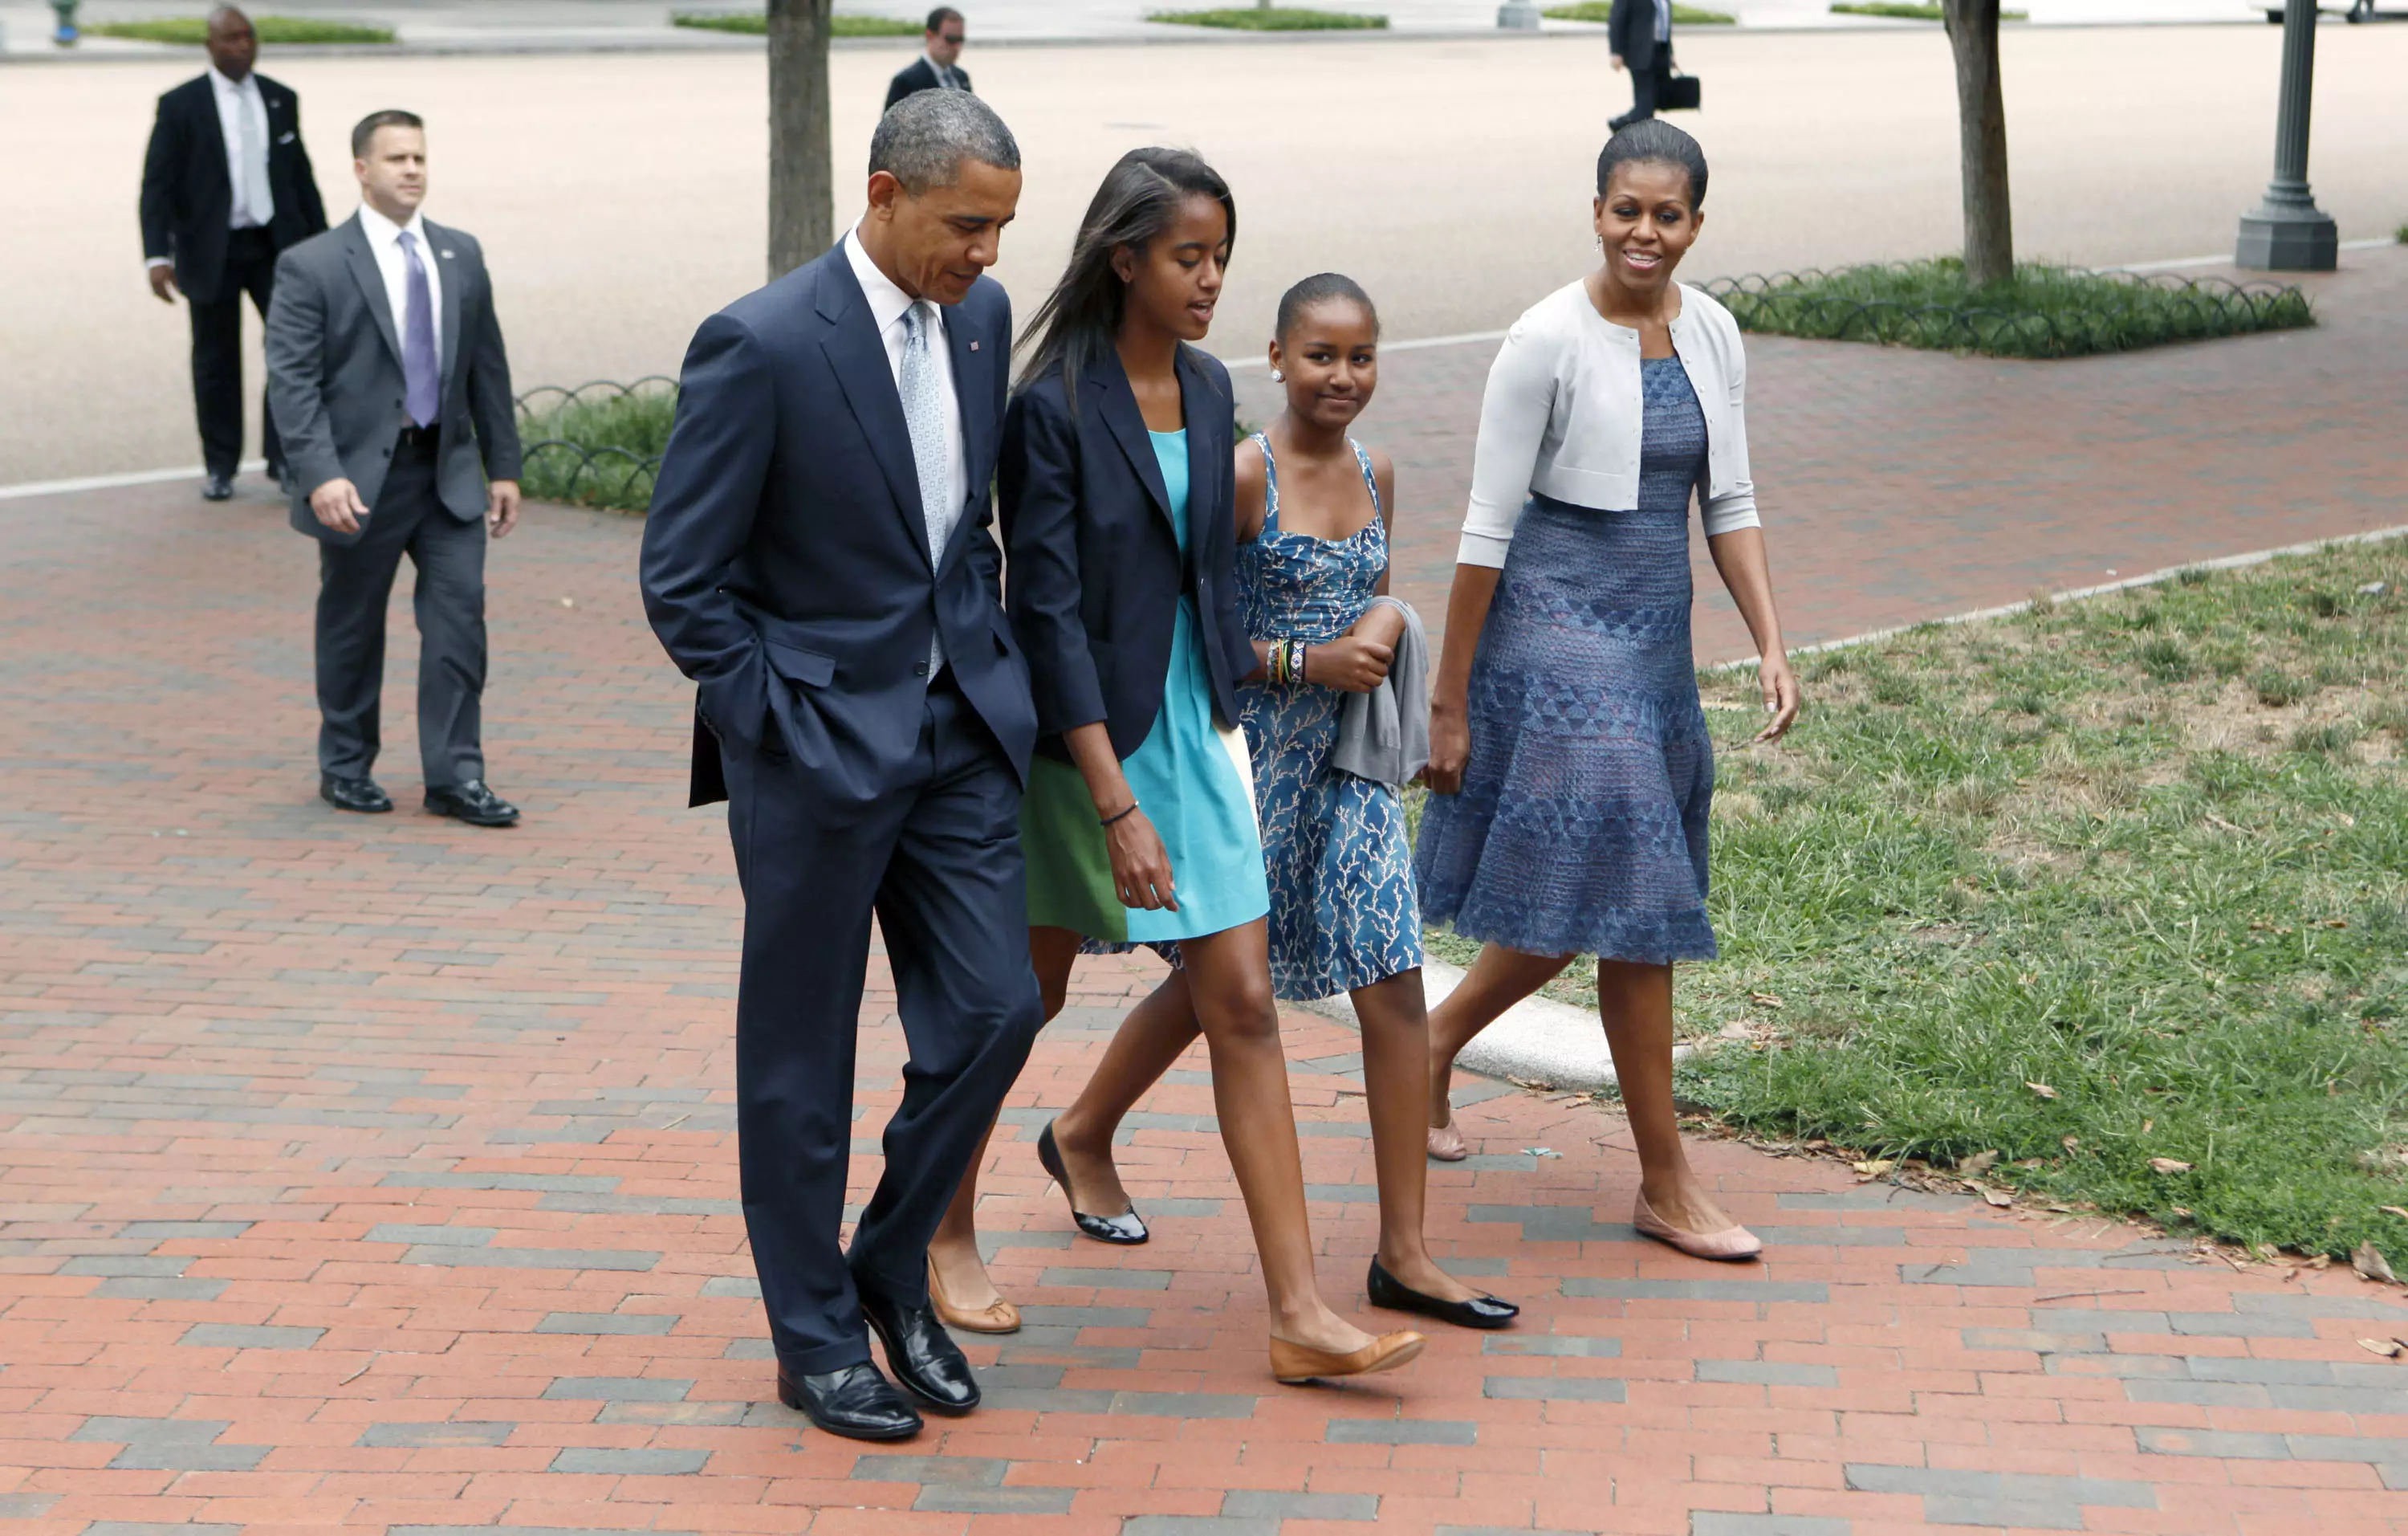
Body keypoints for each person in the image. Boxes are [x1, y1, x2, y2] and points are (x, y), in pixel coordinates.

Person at [931, 149, 1424, 1386]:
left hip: (1201, 729)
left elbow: (1216, 578)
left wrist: (1301, 663)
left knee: (1245, 1004)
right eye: (1187, 258)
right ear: (1125, 260)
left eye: (1220, 258)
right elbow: (1044, 610)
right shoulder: (1051, 405)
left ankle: (1300, 1313)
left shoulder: (1210, 390)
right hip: (1080, 742)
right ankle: (941, 1230)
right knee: (1019, 1004)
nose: (1209, 281)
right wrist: (1111, 801)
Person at [994, 273, 1523, 1335]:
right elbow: (1203, 630)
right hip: (1249, 756)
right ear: (1276, 360)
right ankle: (1086, 1127)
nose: (1342, 375)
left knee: (1393, 977)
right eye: (1319, 355)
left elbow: (1371, 585)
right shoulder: (1240, 476)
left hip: (1350, 767)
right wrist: (1311, 659)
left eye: (1361, 356)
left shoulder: (1378, 469)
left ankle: (1405, 1253)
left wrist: (1387, 643)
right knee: (1221, 985)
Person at [639, 90, 1043, 1444]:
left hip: (958, 736)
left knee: (996, 1009)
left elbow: (957, 528)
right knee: (801, 1059)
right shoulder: (759, 344)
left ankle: (890, 1250)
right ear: (882, 196)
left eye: (1001, 227)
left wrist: (988, 668)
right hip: (814, 751)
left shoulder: (980, 321)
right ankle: (812, 1338)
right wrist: (779, 717)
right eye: (965, 224)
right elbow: (683, 583)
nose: (986, 254)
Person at [1416, 120, 1800, 1261]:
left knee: (1584, 891)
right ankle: (1666, 1181)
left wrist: (1773, 642)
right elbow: (1485, 529)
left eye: (1667, 214)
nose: (1645, 231)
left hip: (1651, 645)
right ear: (1596, 211)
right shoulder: (1543, 338)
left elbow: (1728, 503)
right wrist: (1450, 700)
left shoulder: (1715, 333)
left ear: (1694, 223)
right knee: (1635, 893)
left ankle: (1433, 1046)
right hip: (1551, 635)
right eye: (1626, 209)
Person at [266, 110, 525, 829]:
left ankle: (454, 776)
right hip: (356, 484)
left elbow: (486, 368)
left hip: (446, 474)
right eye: (396, 159)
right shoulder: (312, 264)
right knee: (352, 627)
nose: (412, 169)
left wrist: (504, 465)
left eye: (419, 157)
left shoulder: (460, 254)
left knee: (458, 623)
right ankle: (346, 765)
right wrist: (320, 473)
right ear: (361, 170)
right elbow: (292, 382)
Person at [139, 4, 328, 501]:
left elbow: (301, 177)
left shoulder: (279, 98)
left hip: (276, 247)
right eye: (230, 39)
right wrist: (156, 255)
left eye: (248, 37)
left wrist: (326, 245)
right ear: (210, 45)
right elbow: (156, 185)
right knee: (215, 360)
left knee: (291, 354)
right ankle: (220, 466)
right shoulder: (181, 105)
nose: (242, 46)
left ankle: (284, 459)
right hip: (211, 249)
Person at [1607, 0, 1674, 132]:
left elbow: (1665, 25)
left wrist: (1670, 54)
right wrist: (1616, 52)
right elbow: (1617, 19)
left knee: (1654, 100)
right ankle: (1636, 136)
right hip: (1640, 53)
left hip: (1660, 52)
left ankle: (1620, 125)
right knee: (1645, 104)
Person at [885, 6, 970, 109]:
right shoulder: (906, 82)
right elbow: (890, 124)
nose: (957, 47)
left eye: (960, 40)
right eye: (951, 39)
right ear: (930, 35)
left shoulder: (962, 77)